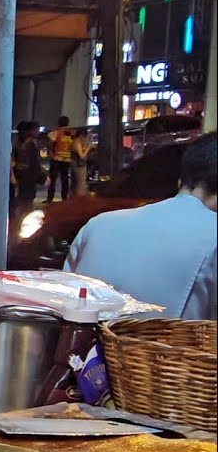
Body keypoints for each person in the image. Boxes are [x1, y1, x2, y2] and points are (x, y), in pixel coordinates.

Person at [64, 133, 216, 320]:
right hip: (169, 348)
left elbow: (66, 302)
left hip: (88, 347)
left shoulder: (99, 224)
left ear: (180, 181)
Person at [12, 122, 43, 231]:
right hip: (29, 177)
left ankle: (18, 221)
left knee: (22, 200)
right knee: (27, 201)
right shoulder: (31, 143)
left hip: (20, 175)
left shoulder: (18, 143)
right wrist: (42, 177)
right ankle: (24, 224)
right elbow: (35, 163)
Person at [46, 116, 74, 202]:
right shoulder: (72, 133)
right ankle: (64, 198)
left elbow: (49, 143)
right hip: (67, 160)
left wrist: (50, 153)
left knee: (53, 180)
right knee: (65, 180)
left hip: (56, 159)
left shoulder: (56, 133)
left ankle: (50, 198)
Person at [70, 128, 93, 197]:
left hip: (75, 164)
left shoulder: (74, 142)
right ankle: (79, 199)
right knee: (80, 184)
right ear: (81, 136)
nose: (85, 139)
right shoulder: (77, 142)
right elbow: (82, 156)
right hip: (78, 165)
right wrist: (88, 148)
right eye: (85, 137)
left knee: (75, 184)